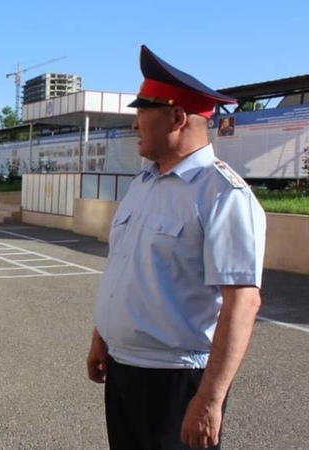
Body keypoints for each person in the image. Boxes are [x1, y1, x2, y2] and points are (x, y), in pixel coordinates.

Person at [86, 45, 266, 450]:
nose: (135, 123)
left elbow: (242, 302)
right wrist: (103, 337)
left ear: (178, 117)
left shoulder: (222, 195)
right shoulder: (142, 184)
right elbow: (125, 268)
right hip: (123, 370)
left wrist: (209, 399)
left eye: (142, 111)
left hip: (176, 380)